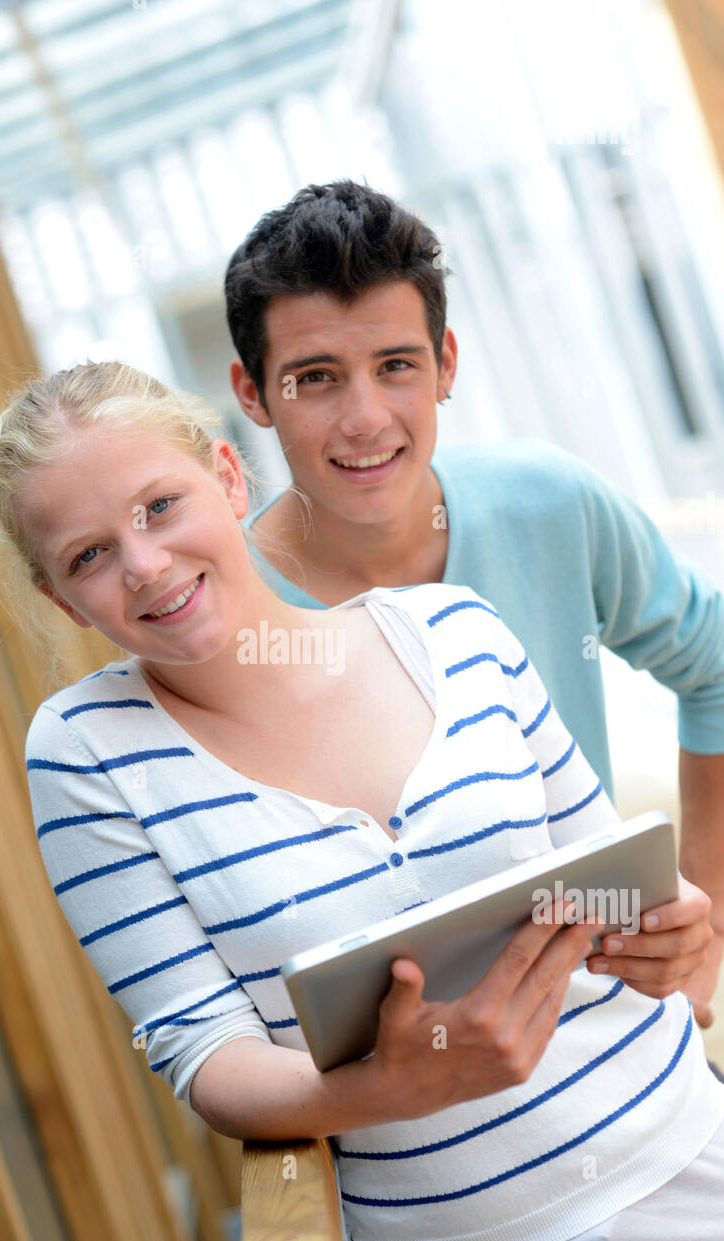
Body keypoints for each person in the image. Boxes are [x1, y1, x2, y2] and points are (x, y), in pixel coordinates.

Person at [0, 360, 724, 1241]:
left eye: (159, 507)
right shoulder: (87, 756)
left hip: (699, 1186)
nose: (143, 566)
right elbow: (205, 1053)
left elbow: (615, 889)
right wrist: (381, 1092)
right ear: (58, 600)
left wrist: (674, 932)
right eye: (87, 556)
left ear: (228, 476)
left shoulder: (455, 631)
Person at [224, 179, 724, 1031]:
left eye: (395, 367)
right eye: (315, 379)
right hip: (395, 1092)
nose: (364, 418)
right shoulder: (215, 615)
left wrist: (700, 919)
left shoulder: (547, 502)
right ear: (252, 394)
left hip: (615, 1030)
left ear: (444, 363)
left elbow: (712, 668)